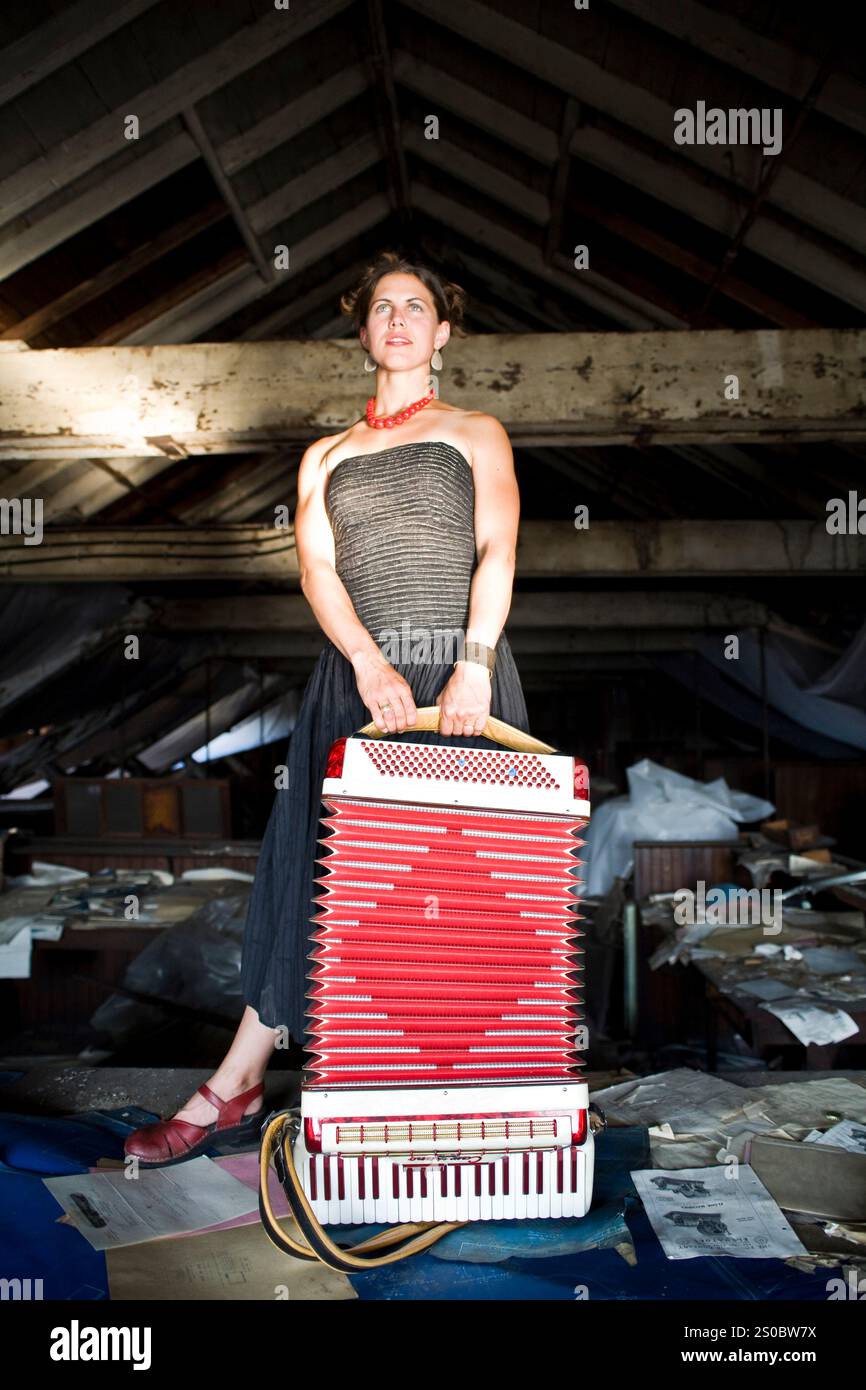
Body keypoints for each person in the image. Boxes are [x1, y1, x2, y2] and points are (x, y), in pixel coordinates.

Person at [124, 251, 531, 1166]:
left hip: (459, 677)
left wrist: (469, 665)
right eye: (381, 307)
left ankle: (448, 1100)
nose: (396, 319)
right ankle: (233, 1083)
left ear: (442, 333)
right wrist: (367, 664)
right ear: (363, 334)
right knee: (318, 874)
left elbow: (497, 549)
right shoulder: (327, 455)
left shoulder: (476, 431)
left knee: (454, 892)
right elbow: (318, 571)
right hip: (355, 682)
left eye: (414, 307)